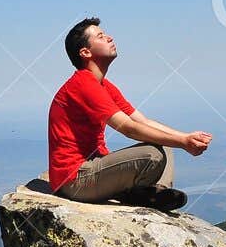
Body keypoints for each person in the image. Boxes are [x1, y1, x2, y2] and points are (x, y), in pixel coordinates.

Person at [45, 17, 213, 211]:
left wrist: (185, 137)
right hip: (74, 180)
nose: (109, 38)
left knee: (165, 143)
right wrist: (183, 143)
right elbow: (128, 128)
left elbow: (143, 121)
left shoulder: (103, 86)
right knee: (152, 154)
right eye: (100, 36)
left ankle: (156, 193)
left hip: (92, 169)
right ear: (85, 52)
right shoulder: (83, 84)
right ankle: (146, 194)